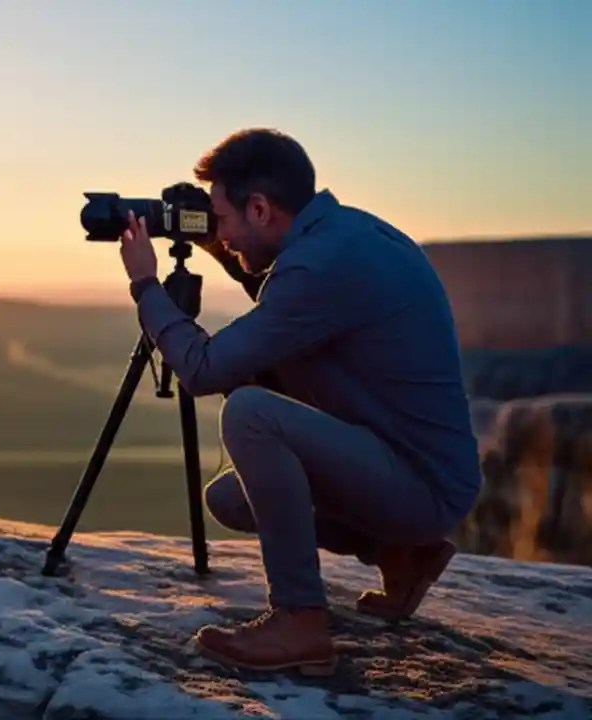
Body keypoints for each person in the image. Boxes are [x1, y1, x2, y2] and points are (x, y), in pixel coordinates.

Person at [117, 128, 483, 675]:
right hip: (407, 464)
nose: (221, 234)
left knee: (250, 413)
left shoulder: (321, 264)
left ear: (260, 208)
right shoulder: (344, 236)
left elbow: (203, 369)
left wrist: (146, 286)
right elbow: (287, 312)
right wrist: (220, 247)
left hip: (424, 485)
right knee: (231, 500)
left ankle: (299, 621)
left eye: (222, 219)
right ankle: (400, 555)